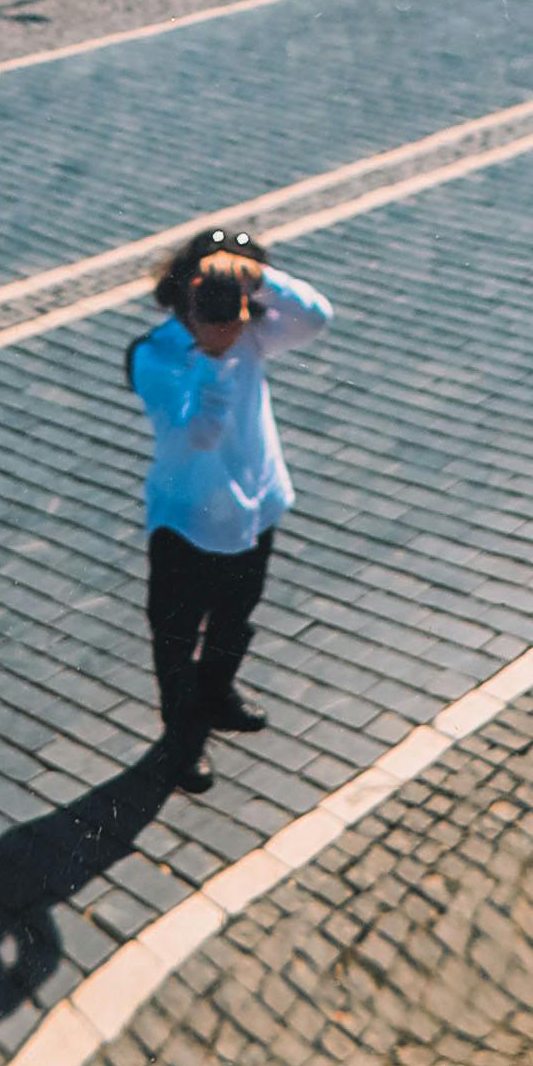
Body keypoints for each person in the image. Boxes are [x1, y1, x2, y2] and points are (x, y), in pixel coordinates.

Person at [123, 221, 332, 745]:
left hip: (255, 508)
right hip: (186, 518)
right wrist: (214, 358)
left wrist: (260, 279)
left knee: (234, 620)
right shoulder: (155, 356)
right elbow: (199, 435)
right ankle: (182, 733)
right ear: (181, 290)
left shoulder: (251, 331)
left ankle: (219, 692)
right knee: (175, 634)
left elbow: (316, 318)